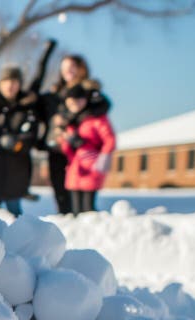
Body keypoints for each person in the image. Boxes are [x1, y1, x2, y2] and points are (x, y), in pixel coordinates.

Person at [40, 49, 111, 214]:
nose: (67, 71)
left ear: (81, 68)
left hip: (81, 147)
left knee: (83, 191)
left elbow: (103, 106)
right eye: (64, 68)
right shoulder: (56, 92)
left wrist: (73, 118)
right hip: (58, 146)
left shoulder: (89, 89)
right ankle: (65, 219)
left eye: (71, 67)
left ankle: (84, 219)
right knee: (60, 189)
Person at [0, 65, 40, 216]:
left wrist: (18, 144)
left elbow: (32, 135)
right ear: (0, 84)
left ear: (19, 84)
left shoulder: (27, 108)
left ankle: (19, 238)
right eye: (6, 81)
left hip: (16, 170)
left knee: (15, 213)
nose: (10, 86)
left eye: (14, 82)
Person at [58, 84, 115, 214]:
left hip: (91, 166)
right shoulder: (70, 120)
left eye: (78, 100)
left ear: (85, 100)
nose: (75, 104)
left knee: (88, 208)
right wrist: (68, 141)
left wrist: (103, 157)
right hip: (75, 168)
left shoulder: (96, 118)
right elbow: (66, 147)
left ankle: (92, 231)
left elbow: (109, 139)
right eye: (71, 101)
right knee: (76, 209)